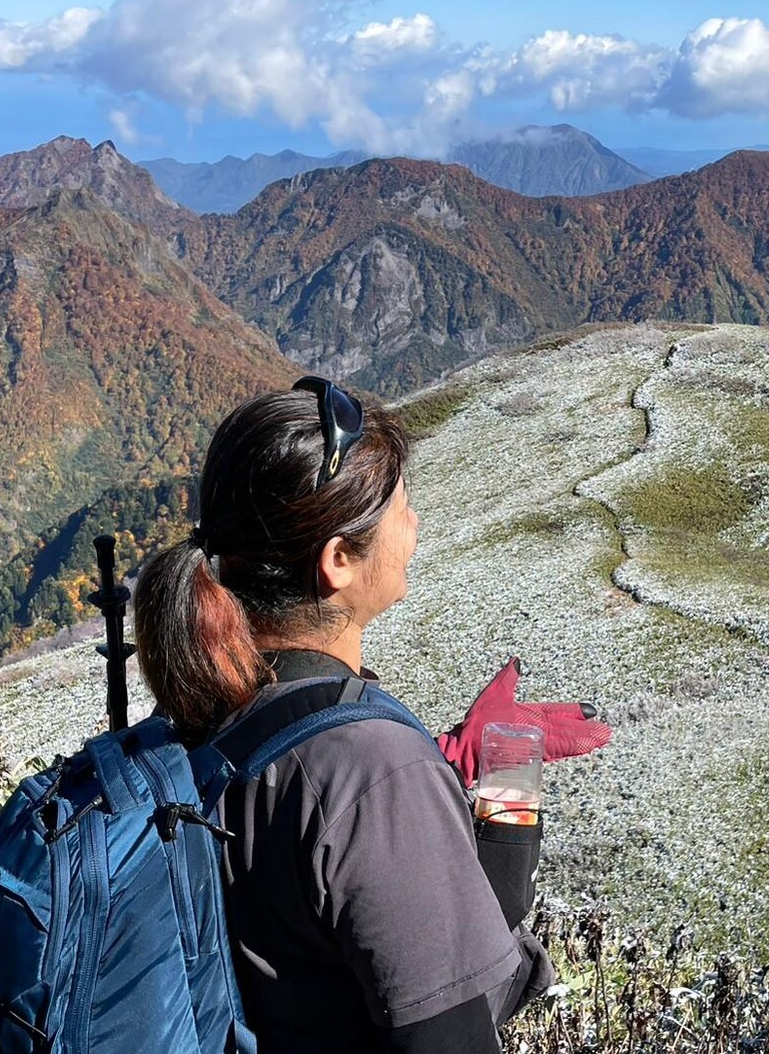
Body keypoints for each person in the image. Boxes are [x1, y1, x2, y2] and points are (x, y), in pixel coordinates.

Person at [132, 376, 610, 1053]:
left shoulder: (193, 709)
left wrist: (439, 767)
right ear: (337, 562)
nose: (415, 523)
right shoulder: (372, 775)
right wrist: (417, 794)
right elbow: (451, 1029)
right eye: (402, 508)